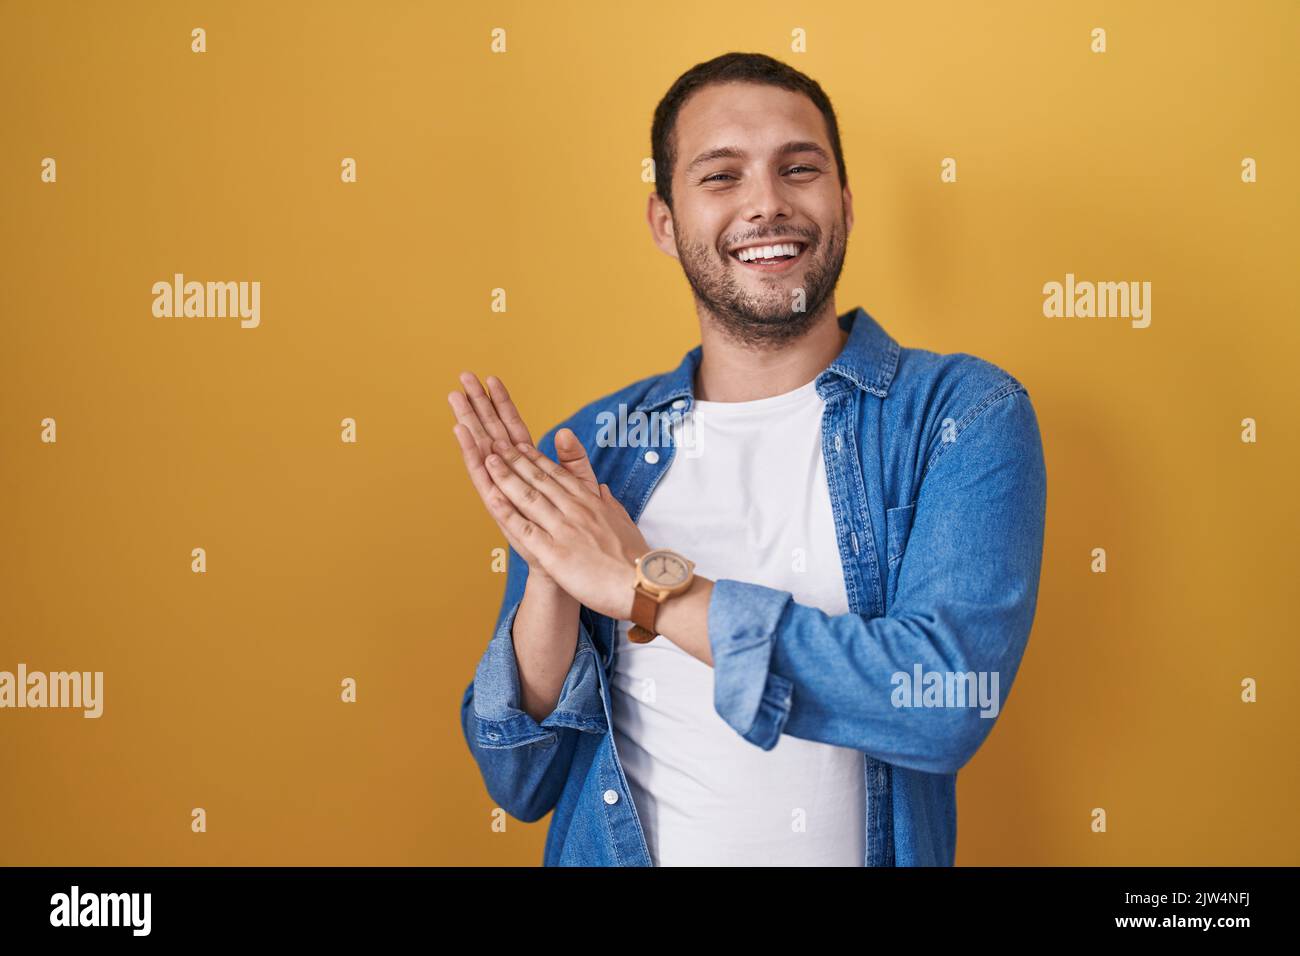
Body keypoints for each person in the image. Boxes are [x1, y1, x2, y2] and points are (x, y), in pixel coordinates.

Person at [450, 51, 1047, 866]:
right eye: (721, 177)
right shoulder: (592, 446)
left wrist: (644, 586)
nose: (767, 204)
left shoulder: (962, 414)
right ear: (665, 222)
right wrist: (559, 578)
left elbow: (941, 705)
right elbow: (520, 781)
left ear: (843, 201)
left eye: (799, 169)